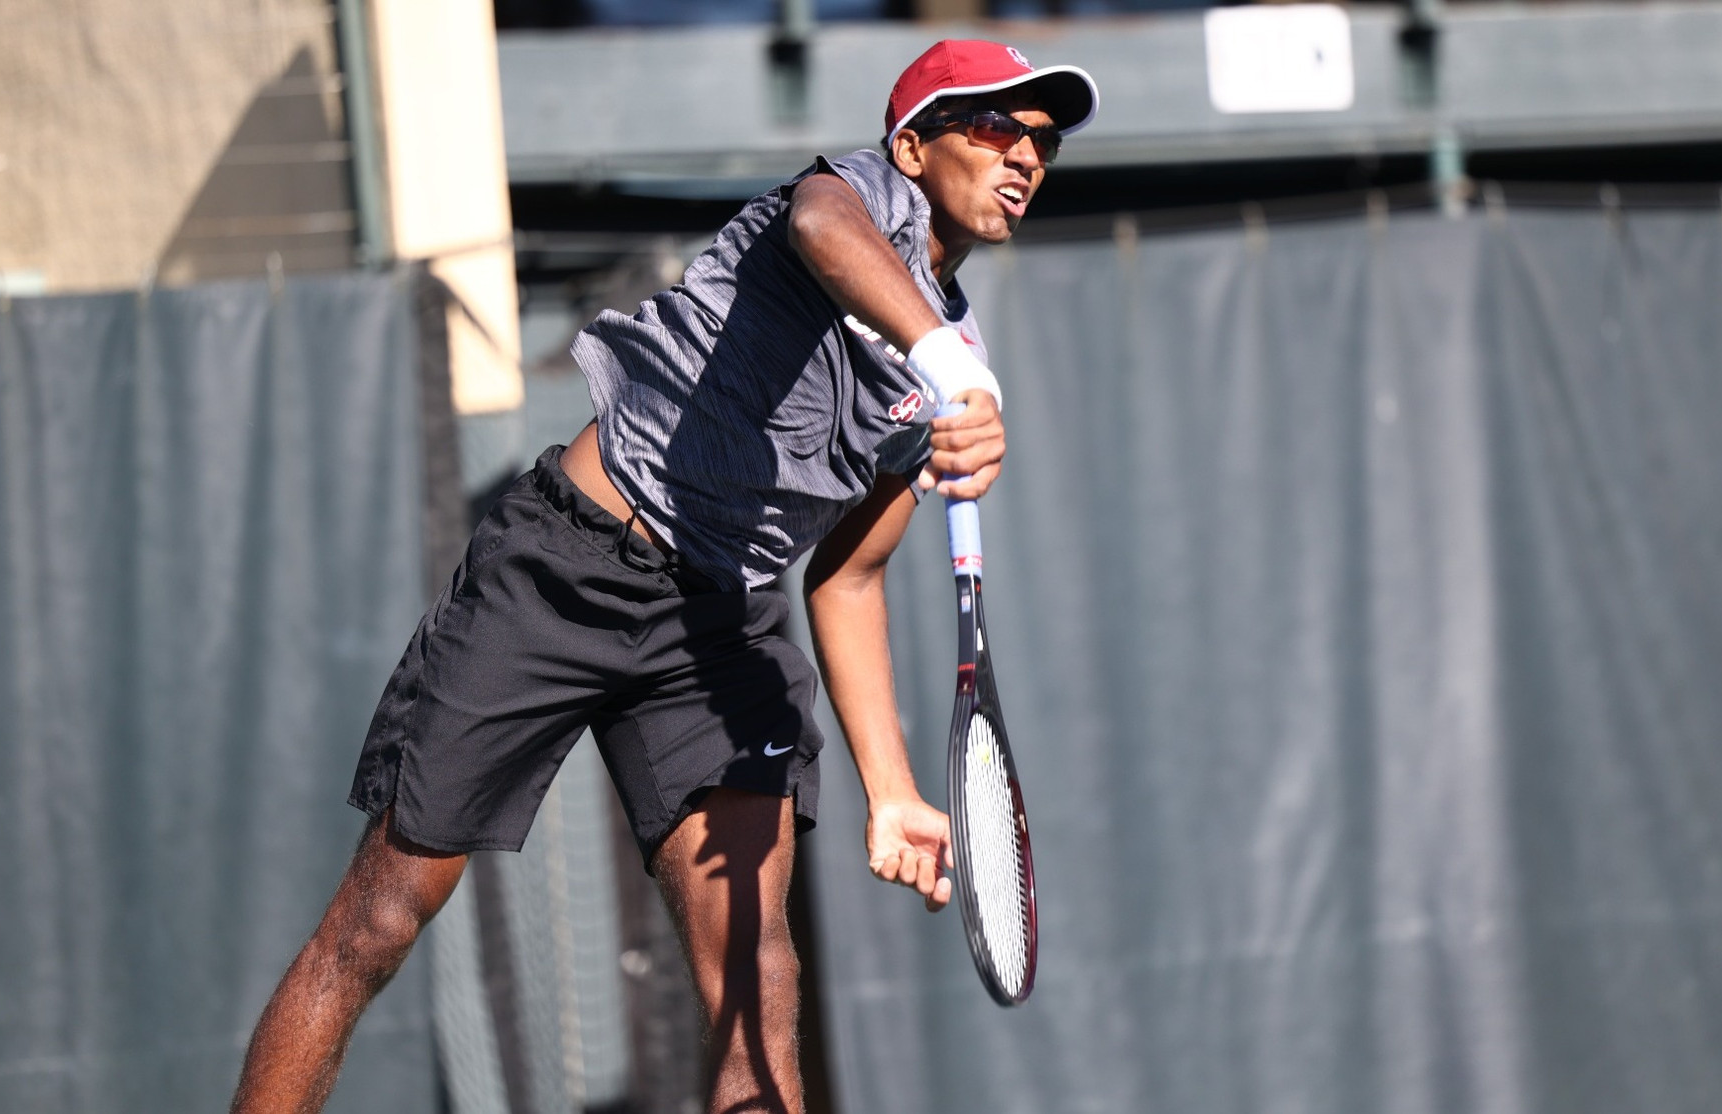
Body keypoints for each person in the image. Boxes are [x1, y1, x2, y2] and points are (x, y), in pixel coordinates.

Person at [229, 39, 1098, 1114]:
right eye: (997, 127)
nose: (1026, 157)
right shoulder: (852, 206)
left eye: (1045, 142)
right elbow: (822, 228)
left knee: (757, 974)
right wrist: (944, 359)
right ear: (913, 148)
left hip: (719, 629)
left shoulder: (953, 364)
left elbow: (848, 580)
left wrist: (891, 790)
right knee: (378, 920)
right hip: (567, 566)